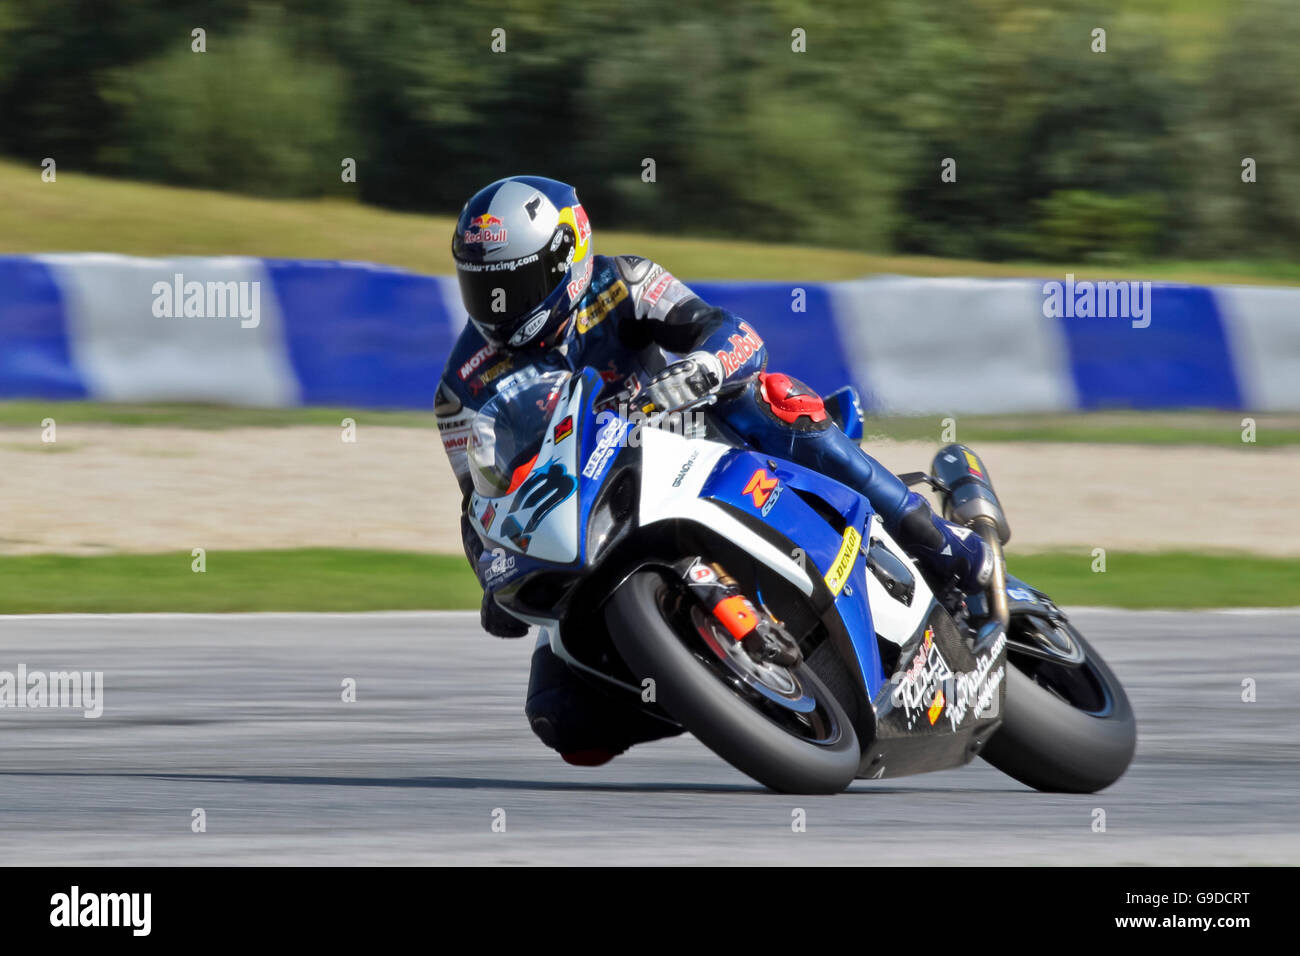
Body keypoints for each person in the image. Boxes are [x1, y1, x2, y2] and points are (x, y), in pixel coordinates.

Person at [436, 175, 992, 765]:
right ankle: (706, 683)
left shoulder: (623, 281)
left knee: (767, 395)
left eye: (517, 282)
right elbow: (481, 500)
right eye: (484, 285)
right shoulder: (461, 388)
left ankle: (934, 540)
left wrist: (703, 368)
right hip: (587, 509)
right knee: (564, 720)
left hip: (688, 436)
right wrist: (493, 573)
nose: (501, 303)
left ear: (568, 255)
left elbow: (736, 335)